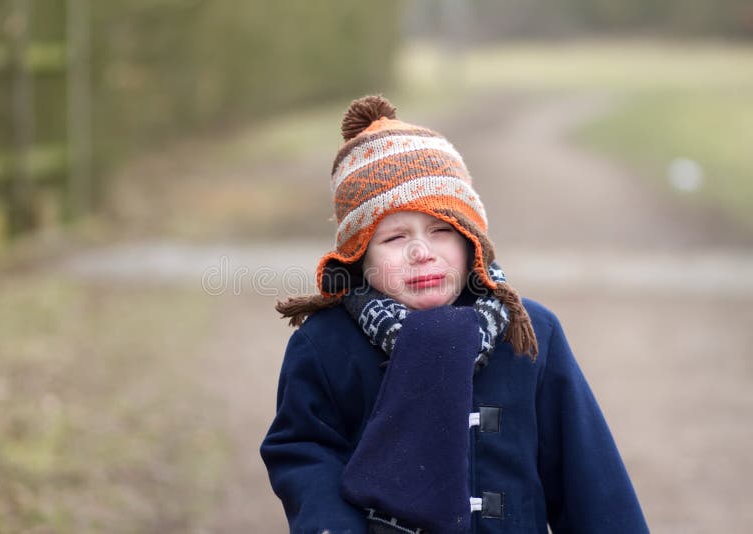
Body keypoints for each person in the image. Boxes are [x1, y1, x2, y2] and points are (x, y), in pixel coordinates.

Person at [260, 95, 648, 533]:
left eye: (441, 230)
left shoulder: (528, 333)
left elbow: (588, 473)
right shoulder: (326, 343)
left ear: (471, 242)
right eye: (393, 238)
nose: (421, 252)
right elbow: (304, 448)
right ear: (358, 257)